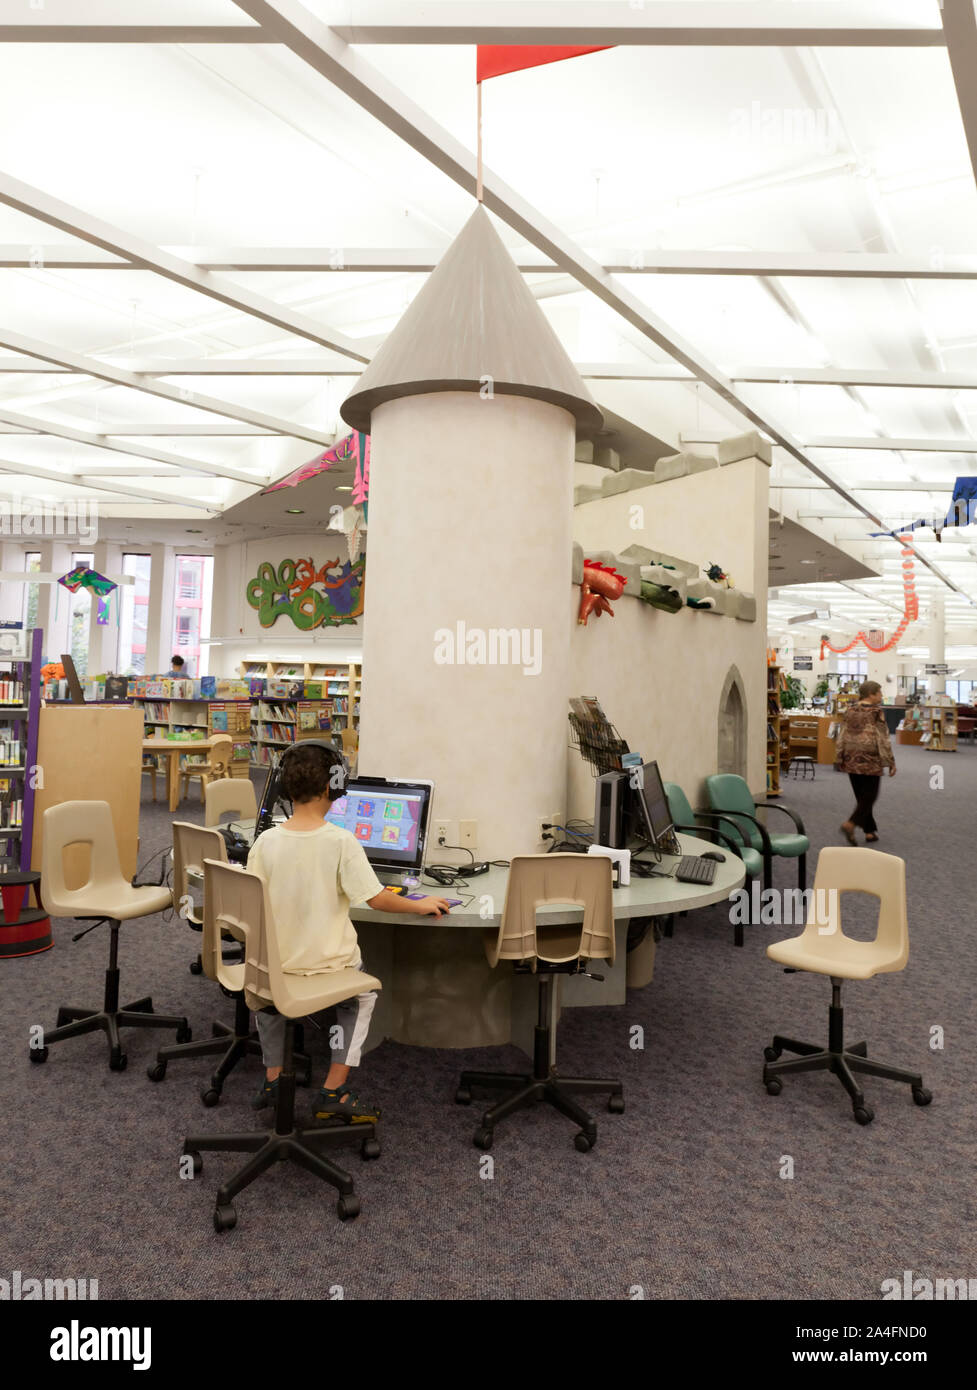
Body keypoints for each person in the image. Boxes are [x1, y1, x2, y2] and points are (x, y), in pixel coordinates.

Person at [246, 742, 451, 1121]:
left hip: (275, 967)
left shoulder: (264, 842)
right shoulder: (341, 841)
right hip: (326, 968)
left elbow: (252, 900)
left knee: (267, 993)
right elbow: (376, 899)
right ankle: (334, 1090)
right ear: (332, 787)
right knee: (363, 994)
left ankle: (274, 1078)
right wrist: (420, 903)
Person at [834, 680, 896, 844]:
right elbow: (883, 737)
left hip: (850, 756)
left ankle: (869, 831)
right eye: (880, 693)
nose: (881, 696)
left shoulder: (849, 709)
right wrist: (890, 761)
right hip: (870, 757)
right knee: (870, 796)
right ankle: (850, 823)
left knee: (861, 796)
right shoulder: (876, 711)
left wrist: (839, 756)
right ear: (871, 694)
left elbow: (842, 734)